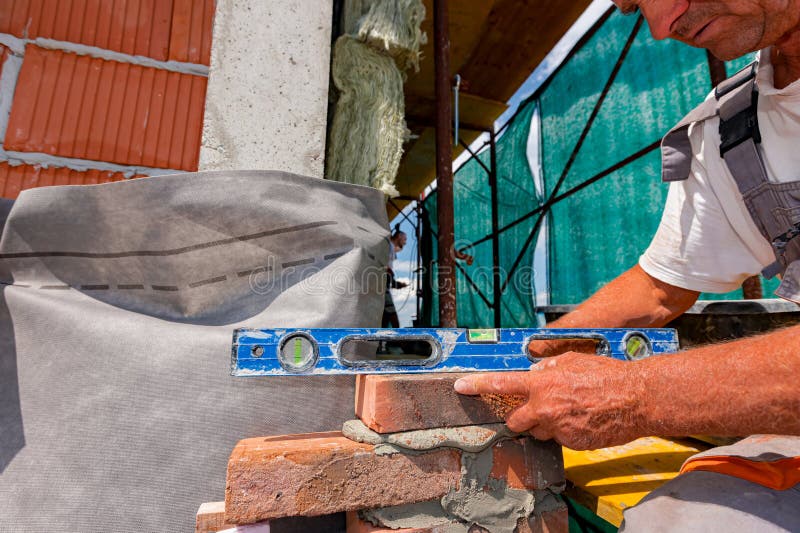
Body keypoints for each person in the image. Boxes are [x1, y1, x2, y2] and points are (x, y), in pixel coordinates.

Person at [455, 1, 800, 529]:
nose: (662, 27)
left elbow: (641, 383)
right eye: (636, 6)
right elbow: (659, 290)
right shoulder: (735, 132)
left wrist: (635, 395)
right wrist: (522, 357)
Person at [382, 226, 408, 328]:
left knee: (386, 314)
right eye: (404, 239)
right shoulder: (389, 246)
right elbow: (385, 268)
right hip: (383, 280)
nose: (405, 243)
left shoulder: (390, 247)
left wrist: (395, 283)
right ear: (398, 237)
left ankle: (382, 341)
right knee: (391, 311)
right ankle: (400, 339)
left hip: (385, 280)